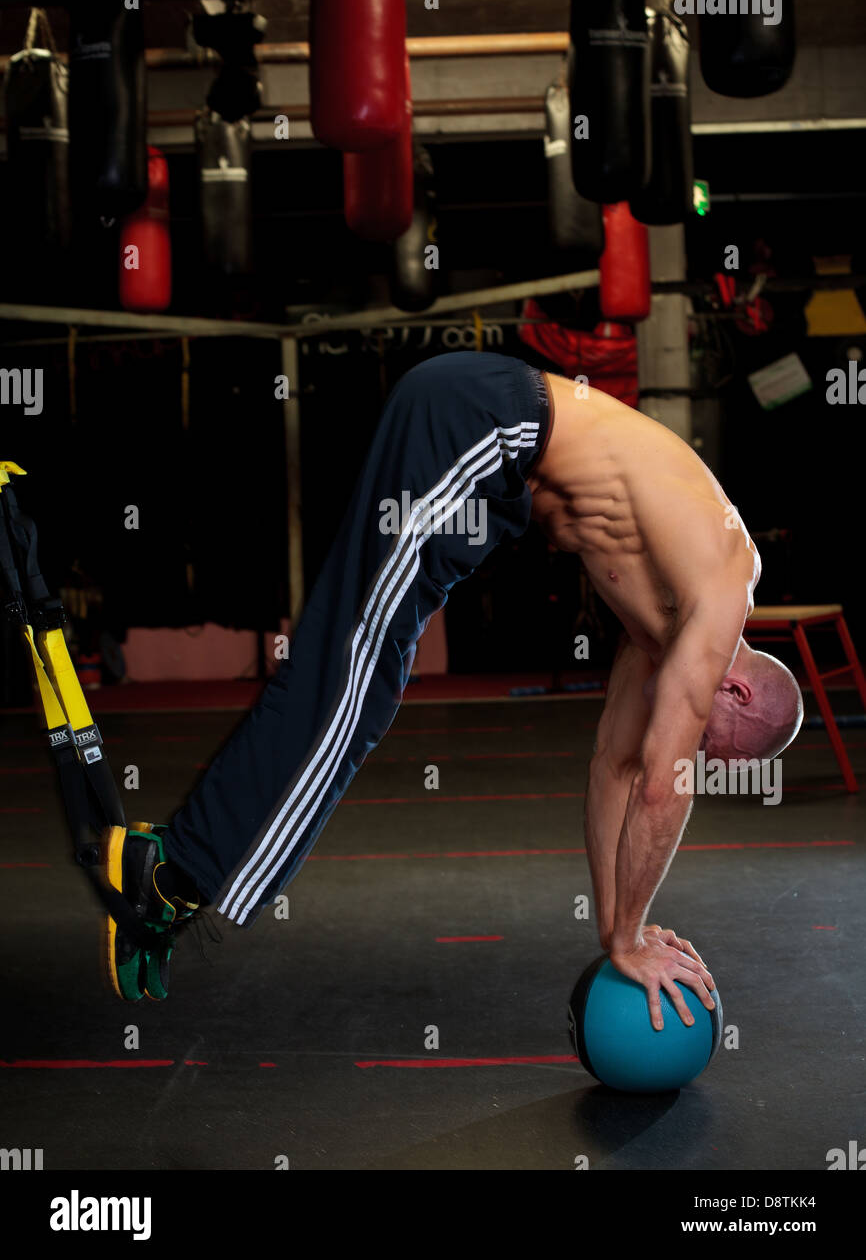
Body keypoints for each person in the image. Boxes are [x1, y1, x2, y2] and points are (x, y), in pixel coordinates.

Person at [105, 353, 803, 1016]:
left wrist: (619, 931)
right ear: (737, 694)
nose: (700, 755)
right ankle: (169, 873)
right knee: (354, 669)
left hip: (487, 447)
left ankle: (175, 874)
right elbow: (661, 783)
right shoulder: (722, 587)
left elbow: (614, 771)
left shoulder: (663, 635)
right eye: (716, 748)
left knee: (363, 677)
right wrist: (630, 936)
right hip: (490, 420)